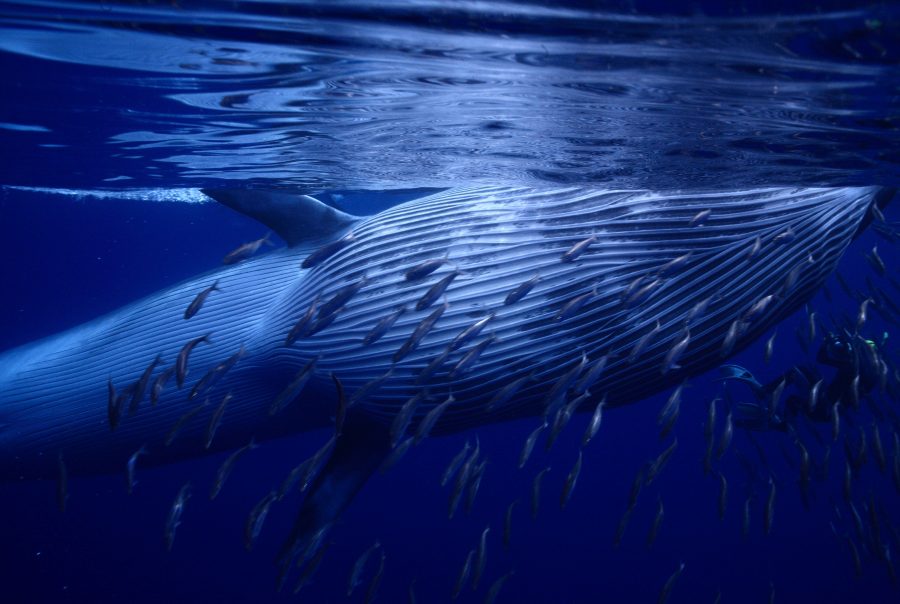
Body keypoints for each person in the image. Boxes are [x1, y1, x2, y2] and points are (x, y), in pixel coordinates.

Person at [719, 330, 886, 431]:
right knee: (794, 401)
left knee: (797, 371)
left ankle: (764, 393)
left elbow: (821, 358)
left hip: (822, 404)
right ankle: (782, 425)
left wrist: (830, 342)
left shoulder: (854, 363)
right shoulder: (872, 373)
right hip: (829, 413)